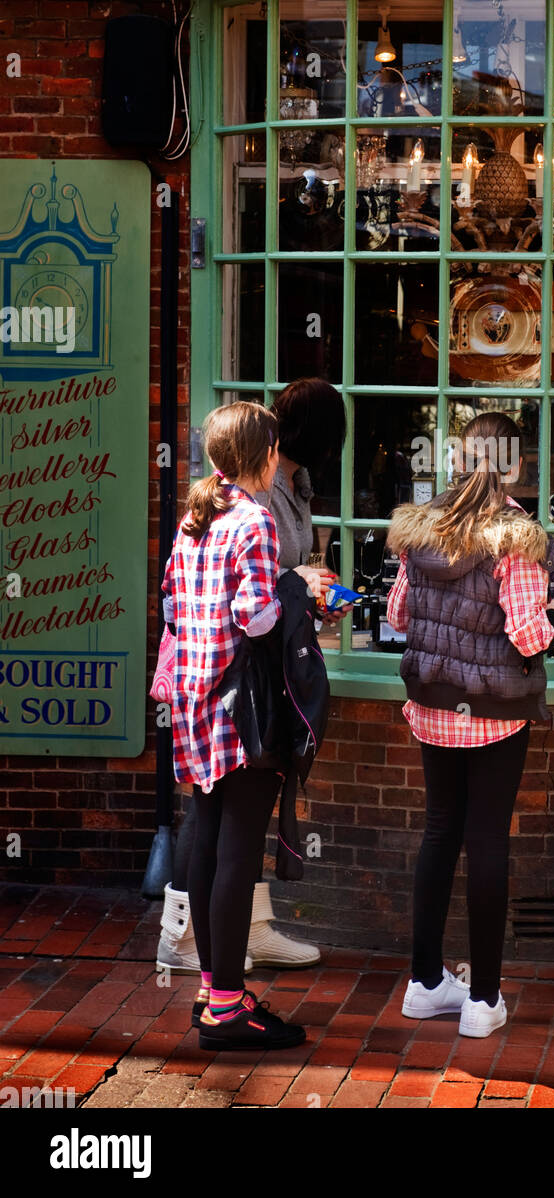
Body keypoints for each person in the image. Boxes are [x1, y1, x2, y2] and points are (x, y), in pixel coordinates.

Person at [385, 412, 554, 1038]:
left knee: (440, 833)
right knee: (487, 840)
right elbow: (528, 632)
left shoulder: (422, 525)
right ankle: (483, 1001)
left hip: (432, 706)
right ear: (514, 464)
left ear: (462, 458)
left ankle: (425, 983)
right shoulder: (515, 536)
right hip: (491, 712)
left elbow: (400, 615)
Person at [158, 380, 347, 974]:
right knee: (237, 854)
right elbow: (257, 617)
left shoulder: (195, 514)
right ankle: (225, 998)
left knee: (213, 839)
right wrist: (298, 591)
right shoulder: (253, 520)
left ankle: (214, 987)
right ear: (264, 455)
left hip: (195, 695)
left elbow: (169, 605)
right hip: (245, 706)